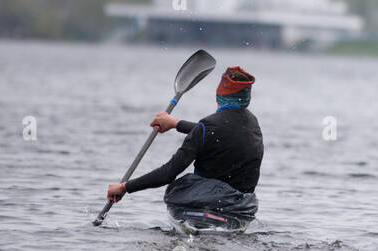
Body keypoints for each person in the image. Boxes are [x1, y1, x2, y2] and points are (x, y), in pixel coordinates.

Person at [106, 66, 263, 227]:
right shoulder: (252, 123)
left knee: (178, 187)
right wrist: (175, 123)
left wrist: (125, 187)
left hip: (209, 203)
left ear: (220, 95)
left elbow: (168, 173)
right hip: (242, 206)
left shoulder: (208, 126)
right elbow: (216, 133)